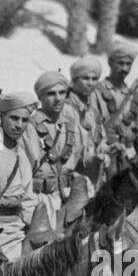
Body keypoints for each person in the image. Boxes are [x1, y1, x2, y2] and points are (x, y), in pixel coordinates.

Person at [0, 90, 38, 261]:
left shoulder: (21, 152)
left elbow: (28, 199)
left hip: (19, 229)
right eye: (14, 118)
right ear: (2, 117)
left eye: (25, 120)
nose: (19, 125)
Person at [23, 71, 84, 240]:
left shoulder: (69, 124)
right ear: (40, 97)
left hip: (64, 196)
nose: (58, 98)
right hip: (38, 198)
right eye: (51, 94)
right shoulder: (31, 126)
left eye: (61, 93)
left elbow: (75, 157)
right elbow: (25, 169)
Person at [67, 55, 110, 185]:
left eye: (94, 79)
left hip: (91, 176)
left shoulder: (93, 111)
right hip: (70, 176)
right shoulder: (65, 109)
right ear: (74, 80)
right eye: (85, 78)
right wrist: (90, 158)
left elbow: (100, 139)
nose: (90, 83)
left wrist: (105, 151)